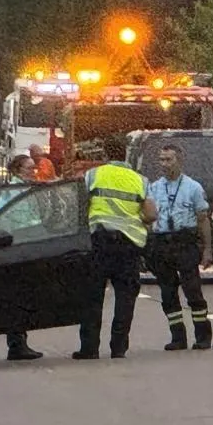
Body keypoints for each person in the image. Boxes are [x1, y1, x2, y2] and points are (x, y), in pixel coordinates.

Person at [76, 137, 157, 360]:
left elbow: (80, 206)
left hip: (98, 242)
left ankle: (89, 348)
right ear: (126, 156)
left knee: (93, 296)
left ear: (104, 155)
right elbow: (151, 214)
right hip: (128, 244)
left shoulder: (93, 175)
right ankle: (118, 346)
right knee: (125, 297)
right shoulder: (140, 180)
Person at [145, 143, 213, 351]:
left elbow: (203, 219)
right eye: (162, 160)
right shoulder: (154, 188)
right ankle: (178, 337)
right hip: (161, 242)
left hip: (184, 242)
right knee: (168, 292)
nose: (164, 164)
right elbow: (147, 218)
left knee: (192, 291)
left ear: (179, 160)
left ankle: (202, 335)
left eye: (169, 159)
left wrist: (207, 248)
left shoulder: (193, 187)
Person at [0, 154, 45, 362]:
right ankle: (17, 344)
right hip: (18, 247)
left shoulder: (19, 190)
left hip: (20, 246)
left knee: (22, 296)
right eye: (29, 169)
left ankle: (19, 342)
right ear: (18, 170)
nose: (33, 172)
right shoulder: (15, 192)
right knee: (19, 296)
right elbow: (18, 220)